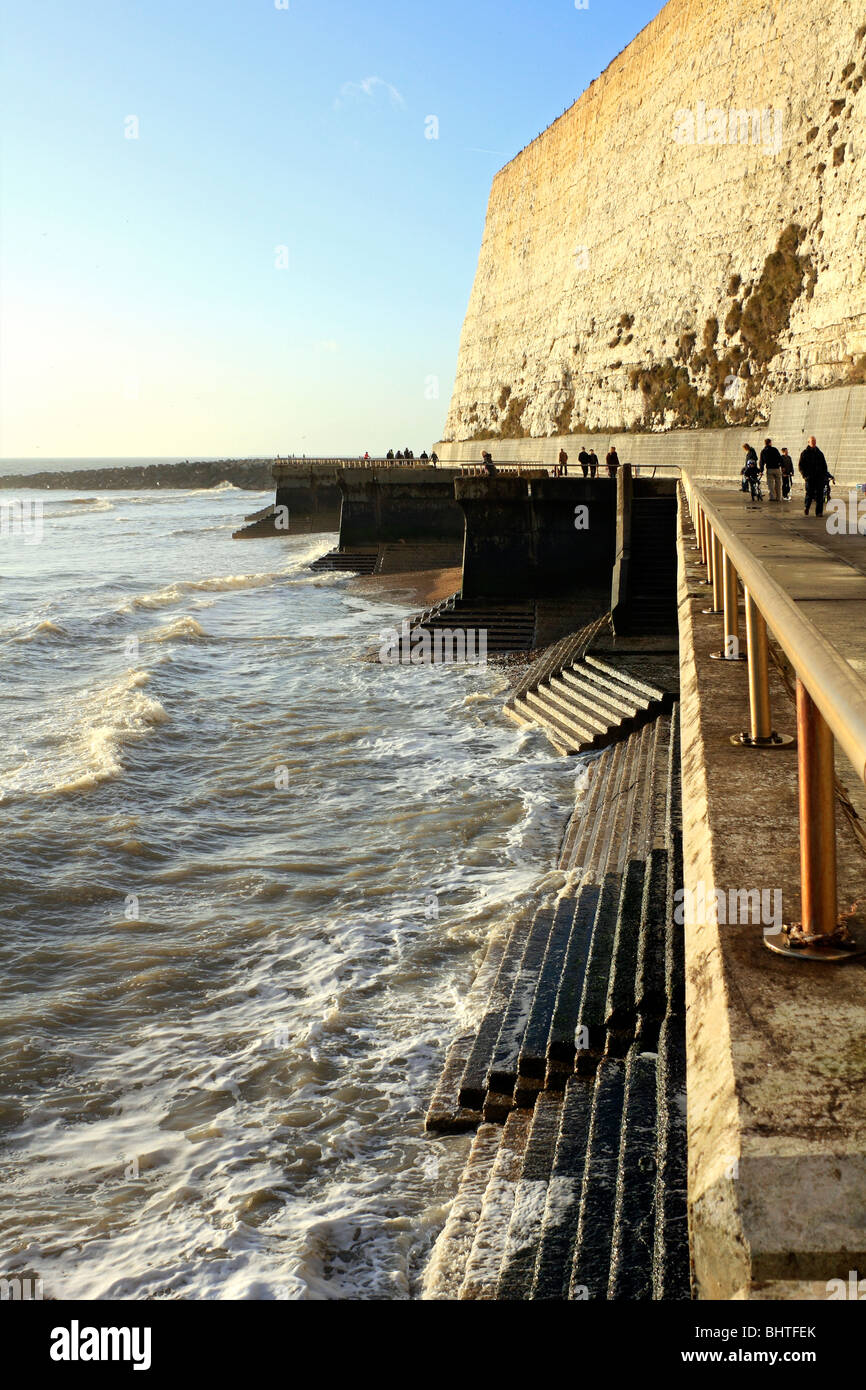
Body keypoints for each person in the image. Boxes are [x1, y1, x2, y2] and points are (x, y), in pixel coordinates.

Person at [799, 436, 830, 517]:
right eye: (812, 441)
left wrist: (824, 476)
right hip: (810, 478)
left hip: (819, 478)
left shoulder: (820, 453)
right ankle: (807, 507)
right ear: (808, 442)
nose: (814, 442)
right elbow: (801, 466)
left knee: (820, 495)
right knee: (809, 494)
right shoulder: (804, 453)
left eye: (814, 441)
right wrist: (805, 475)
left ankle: (819, 512)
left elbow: (824, 466)